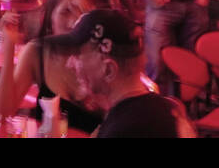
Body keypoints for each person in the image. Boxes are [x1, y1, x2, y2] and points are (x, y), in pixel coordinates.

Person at [49, 8, 194, 137]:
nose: (69, 64)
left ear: (109, 70)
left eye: (77, 56)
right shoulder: (166, 109)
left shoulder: (122, 130)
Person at [0, 0, 102, 133]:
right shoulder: (37, 52)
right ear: (50, 16)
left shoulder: (101, 56)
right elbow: (4, 112)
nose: (74, 21)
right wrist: (9, 47)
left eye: (82, 14)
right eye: (66, 12)